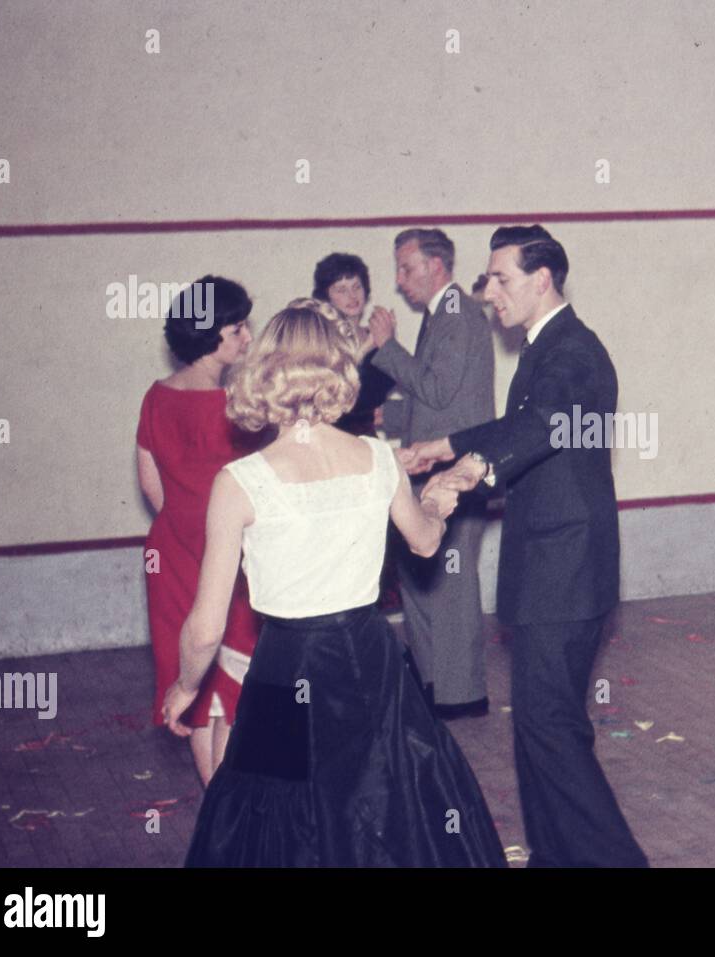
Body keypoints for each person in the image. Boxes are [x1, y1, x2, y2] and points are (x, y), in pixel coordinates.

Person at [164, 299, 507, 867]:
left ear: (264, 372)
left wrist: (184, 687)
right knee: (385, 795)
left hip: (286, 663)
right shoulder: (376, 459)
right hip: (369, 656)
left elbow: (205, 628)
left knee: (279, 811)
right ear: (339, 372)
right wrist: (437, 502)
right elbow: (424, 543)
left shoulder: (241, 482)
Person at [407, 225, 648, 867]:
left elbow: (545, 425)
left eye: (500, 279)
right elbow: (521, 423)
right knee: (540, 728)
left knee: (552, 731)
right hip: (554, 569)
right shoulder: (549, 347)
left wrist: (468, 472)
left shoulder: (572, 353)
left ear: (542, 280)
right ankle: (554, 857)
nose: (489, 294)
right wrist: (448, 443)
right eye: (486, 280)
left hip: (563, 571)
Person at [136, 276, 264, 785]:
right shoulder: (237, 407)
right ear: (211, 335)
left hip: (171, 557)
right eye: (238, 329)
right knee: (231, 688)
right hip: (228, 559)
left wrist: (189, 521)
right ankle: (229, 816)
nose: (248, 338)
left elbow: (152, 487)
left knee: (194, 685)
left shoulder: (155, 397)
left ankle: (216, 808)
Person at [367, 229, 495, 719]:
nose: (399, 281)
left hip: (458, 475)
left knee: (452, 586)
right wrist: (391, 419)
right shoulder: (443, 316)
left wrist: (387, 347)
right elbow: (446, 401)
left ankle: (461, 696)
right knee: (422, 582)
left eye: (406, 268)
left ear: (437, 266)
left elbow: (439, 392)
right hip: (434, 470)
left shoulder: (458, 316)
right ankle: (435, 684)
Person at [311, 252, 395, 436]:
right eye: (341, 290)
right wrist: (366, 349)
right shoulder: (323, 339)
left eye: (357, 287)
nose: (352, 295)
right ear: (326, 297)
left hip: (367, 435)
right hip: (333, 437)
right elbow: (332, 396)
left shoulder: (375, 334)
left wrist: (389, 346)